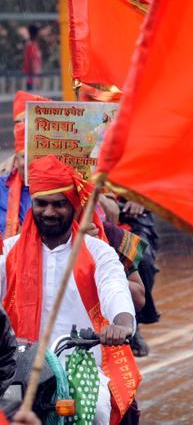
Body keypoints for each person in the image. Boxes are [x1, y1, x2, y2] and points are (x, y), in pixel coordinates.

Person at [0, 156, 138, 425]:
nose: (49, 212)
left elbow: (114, 288)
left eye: (59, 204)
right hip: (18, 368)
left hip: (80, 364)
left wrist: (121, 324)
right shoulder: (9, 252)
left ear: (73, 205)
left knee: (97, 409)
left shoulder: (97, 252)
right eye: (41, 203)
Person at [0, 92, 48, 239]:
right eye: (23, 157)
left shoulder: (61, 188)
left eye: (35, 157)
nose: (27, 163)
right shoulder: (2, 185)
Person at [22, 26, 41, 91]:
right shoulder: (31, 45)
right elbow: (32, 61)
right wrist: (35, 77)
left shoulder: (31, 45)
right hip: (32, 78)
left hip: (31, 77)